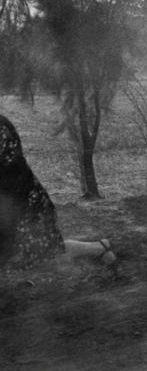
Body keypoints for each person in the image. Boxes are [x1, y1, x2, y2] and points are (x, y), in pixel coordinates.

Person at [0, 113, 117, 273]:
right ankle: (99, 249)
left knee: (44, 253)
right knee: (42, 253)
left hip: (24, 205)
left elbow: (9, 172)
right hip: (12, 206)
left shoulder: (2, 128)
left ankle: (98, 250)